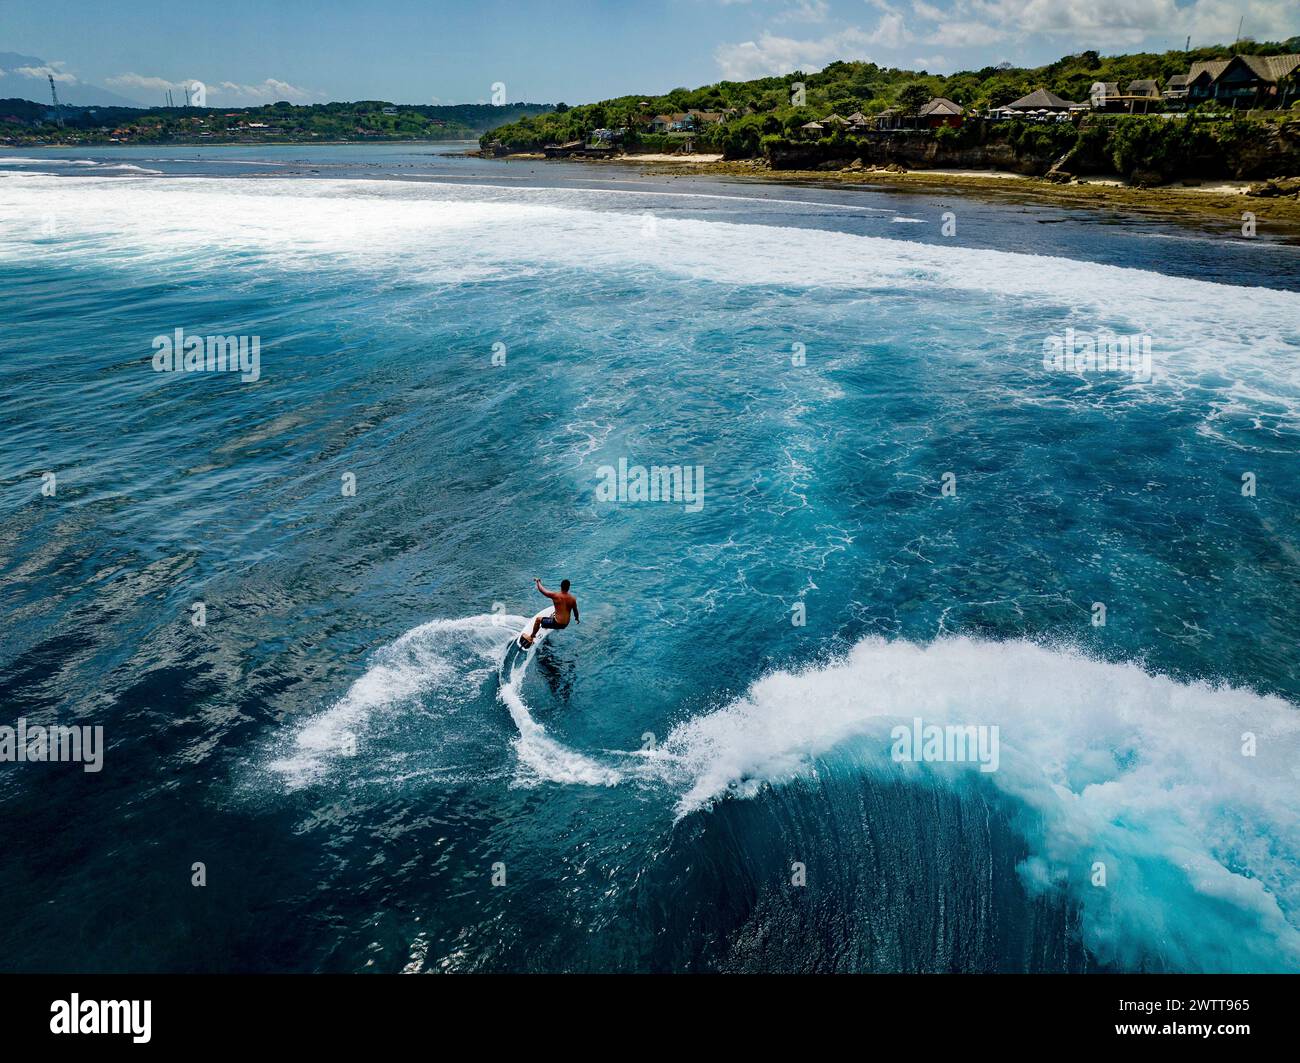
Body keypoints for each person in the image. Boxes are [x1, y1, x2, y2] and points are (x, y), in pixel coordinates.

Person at [521, 577, 579, 648]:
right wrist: (577, 618)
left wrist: (538, 582)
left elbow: (542, 590)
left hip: (557, 623)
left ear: (561, 586)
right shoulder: (573, 599)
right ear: (568, 588)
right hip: (565, 624)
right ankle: (545, 626)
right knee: (553, 614)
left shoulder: (556, 596)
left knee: (538, 619)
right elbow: (575, 611)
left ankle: (531, 637)